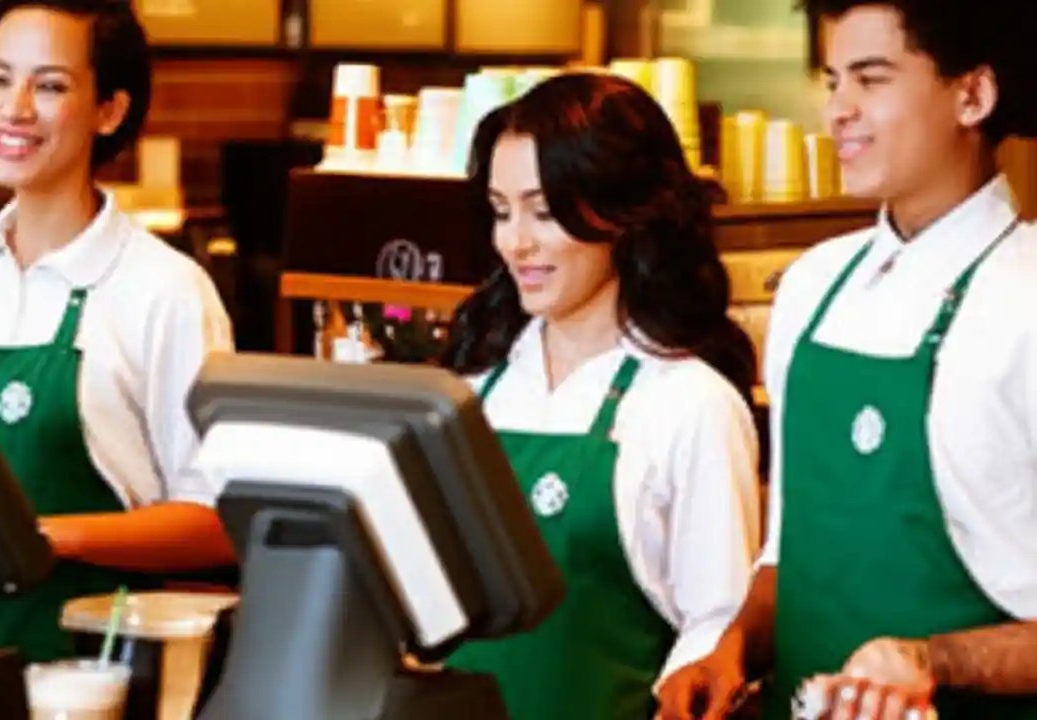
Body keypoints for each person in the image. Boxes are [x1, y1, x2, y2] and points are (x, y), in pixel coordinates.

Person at [656, 2, 1037, 718]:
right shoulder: (810, 287)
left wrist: (938, 660)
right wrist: (732, 648)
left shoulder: (1027, 303)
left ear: (973, 95)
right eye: (832, 82)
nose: (838, 111)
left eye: (872, 79)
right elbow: (786, 553)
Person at [0, 0, 235, 662]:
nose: (14, 109)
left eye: (51, 85)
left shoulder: (164, 291)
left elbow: (222, 522)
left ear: (110, 110)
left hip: (89, 675)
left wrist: (48, 537)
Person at [438, 71, 762, 720]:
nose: (515, 242)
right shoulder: (471, 389)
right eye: (501, 211)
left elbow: (716, 625)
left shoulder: (688, 403)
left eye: (544, 210)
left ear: (623, 213)